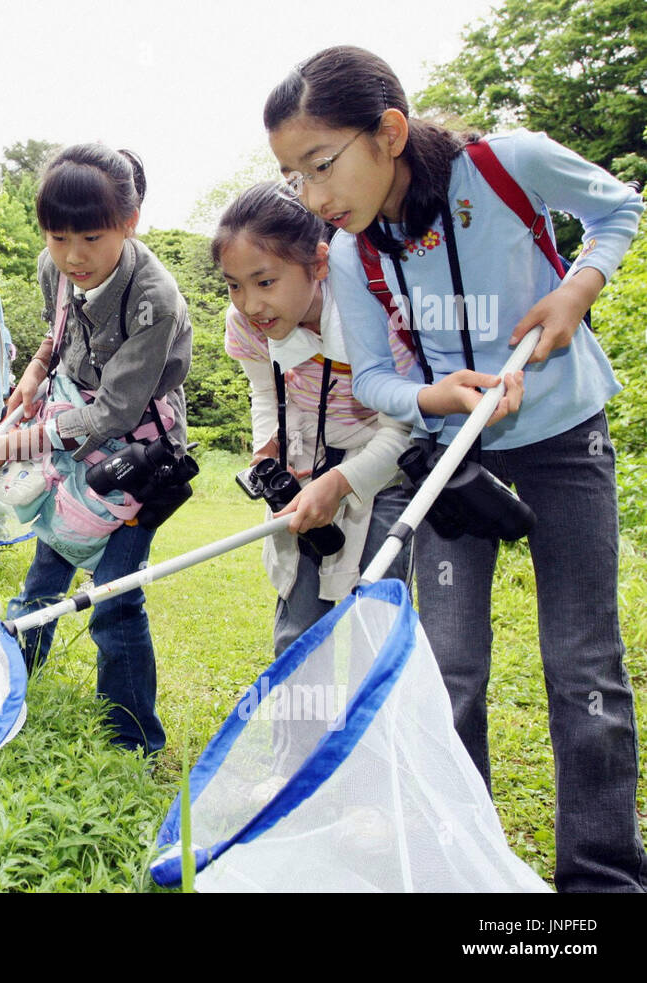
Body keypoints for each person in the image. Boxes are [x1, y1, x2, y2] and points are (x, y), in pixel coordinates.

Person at [264, 44, 646, 892]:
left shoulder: (509, 165)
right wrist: (432, 396)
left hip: (563, 440)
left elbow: (621, 209)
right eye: (295, 177)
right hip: (453, 456)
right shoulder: (354, 252)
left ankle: (604, 875)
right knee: (448, 665)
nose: (315, 195)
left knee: (583, 661)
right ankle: (461, 866)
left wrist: (578, 288)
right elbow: (372, 380)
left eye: (321, 165)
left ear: (389, 132)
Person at [0, 144, 192, 756]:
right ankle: (9, 694)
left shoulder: (154, 299)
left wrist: (10, 442)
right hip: (68, 434)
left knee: (112, 596)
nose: (73, 256)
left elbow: (116, 411)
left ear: (129, 224)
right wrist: (30, 375)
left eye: (92, 237)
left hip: (141, 456)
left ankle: (134, 741)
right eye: (57, 237)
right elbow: (56, 339)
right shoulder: (53, 269)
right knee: (44, 575)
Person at [214, 181, 415, 664]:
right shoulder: (244, 323)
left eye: (265, 282)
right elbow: (265, 389)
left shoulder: (375, 313)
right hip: (306, 462)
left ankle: (369, 740)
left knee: (374, 626)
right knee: (299, 630)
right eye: (234, 284)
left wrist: (341, 484)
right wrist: (269, 444)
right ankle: (300, 739)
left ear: (319, 264)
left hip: (382, 468)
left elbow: (402, 431)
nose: (250, 304)